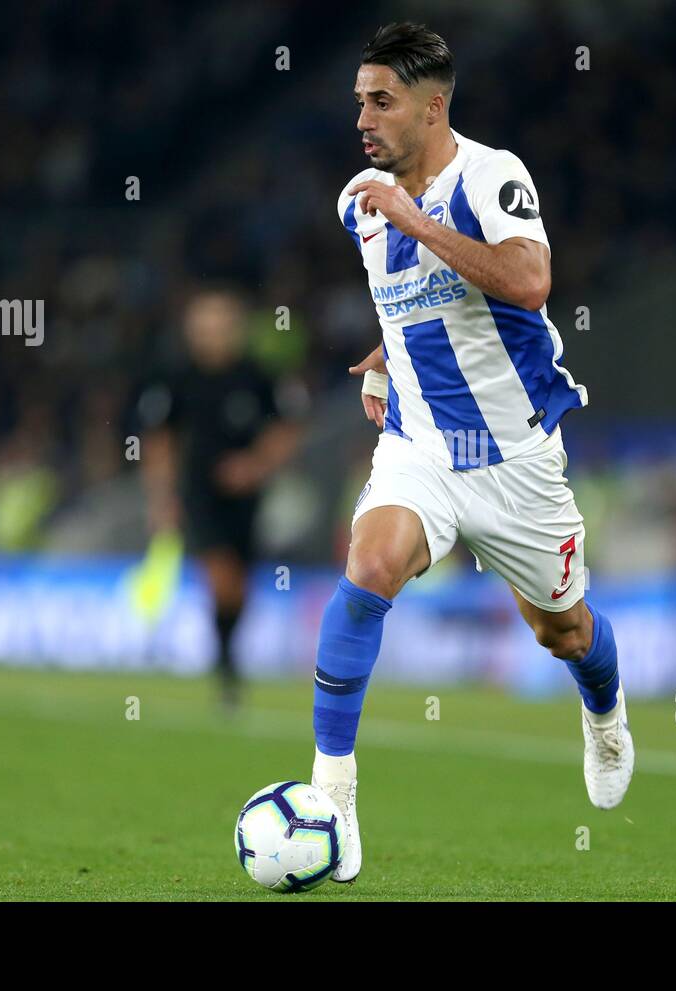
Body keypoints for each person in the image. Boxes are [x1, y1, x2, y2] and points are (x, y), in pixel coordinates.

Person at [311, 22, 632, 883]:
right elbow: (407, 300)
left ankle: (604, 712)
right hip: (421, 447)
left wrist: (417, 221)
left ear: (432, 105)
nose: (364, 120)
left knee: (560, 630)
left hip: (517, 457)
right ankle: (332, 793)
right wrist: (388, 355)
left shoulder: (492, 177)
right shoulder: (358, 201)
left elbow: (527, 283)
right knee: (369, 563)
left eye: (381, 101)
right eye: (359, 102)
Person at [139, 288, 303, 708]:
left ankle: (227, 660)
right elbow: (159, 441)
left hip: (247, 497)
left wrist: (255, 466)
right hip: (198, 491)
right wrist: (162, 497)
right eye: (204, 326)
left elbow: (286, 430)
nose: (212, 334)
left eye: (220, 325)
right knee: (221, 575)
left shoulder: (257, 376)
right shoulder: (176, 377)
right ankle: (226, 666)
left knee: (240, 586)